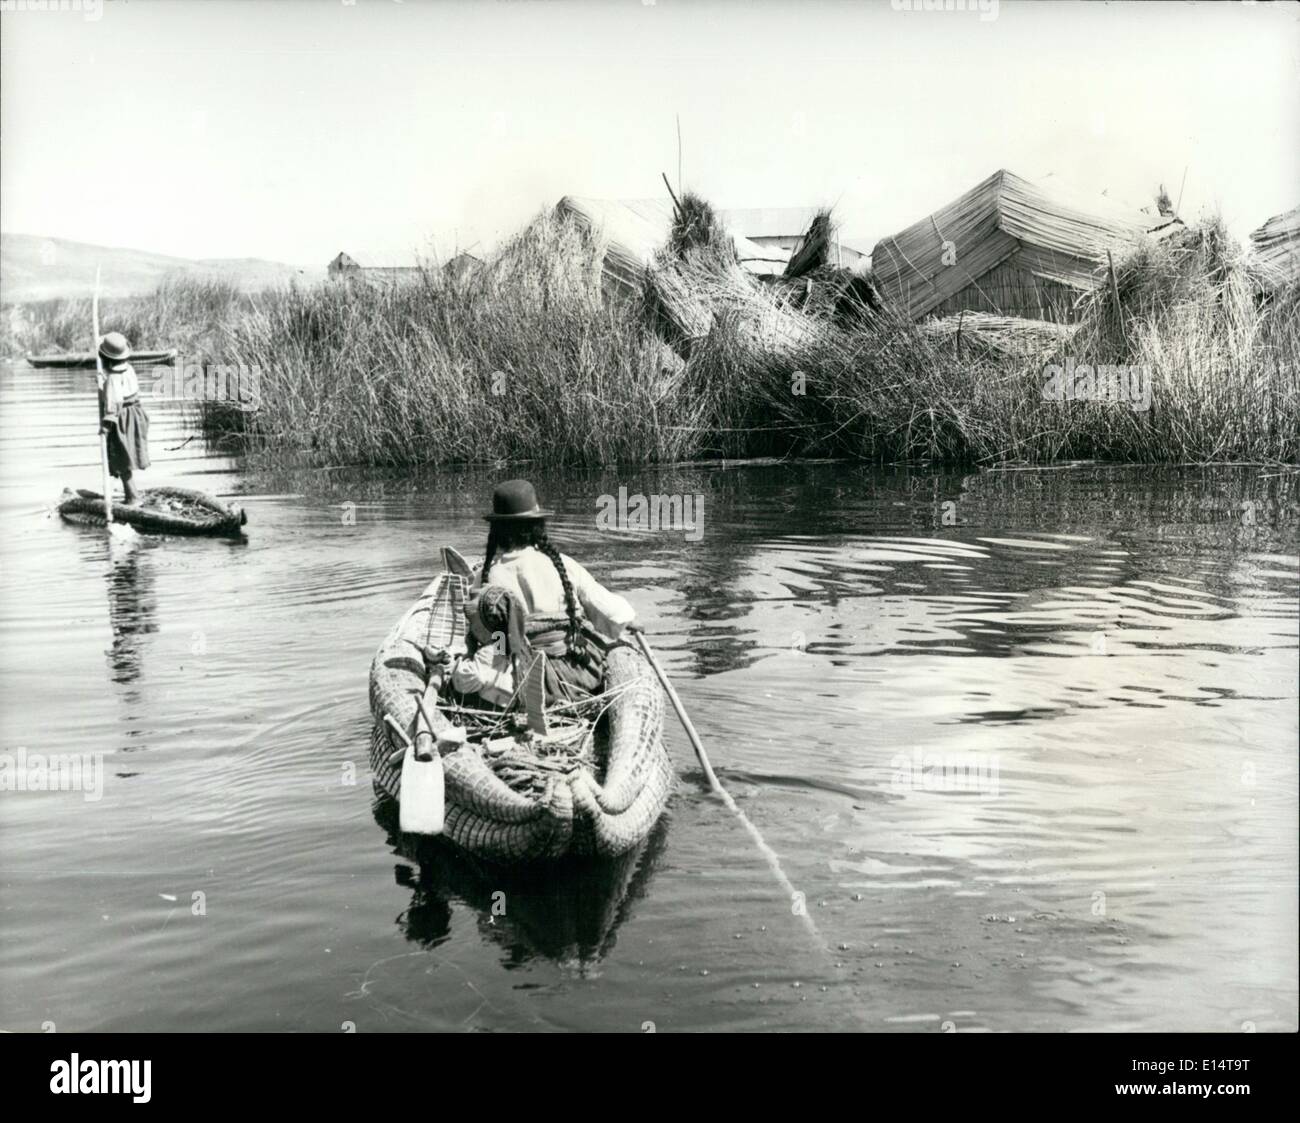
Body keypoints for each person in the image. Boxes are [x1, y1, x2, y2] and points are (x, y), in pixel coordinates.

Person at [465, 479, 641, 707]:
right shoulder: (562, 565)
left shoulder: (486, 578)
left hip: (520, 679)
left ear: (497, 530)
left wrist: (496, 650)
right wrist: (630, 621)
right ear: (537, 526)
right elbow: (605, 607)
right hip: (574, 675)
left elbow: (488, 637)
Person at [98, 332, 150, 505]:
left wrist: (105, 428)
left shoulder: (113, 378)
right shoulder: (129, 369)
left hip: (122, 419)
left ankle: (132, 497)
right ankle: (132, 494)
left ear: (106, 359)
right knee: (128, 456)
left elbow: (113, 406)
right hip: (136, 414)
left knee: (121, 458)